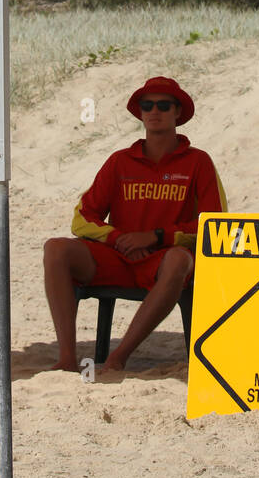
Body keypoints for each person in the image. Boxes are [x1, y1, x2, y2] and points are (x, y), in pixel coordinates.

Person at [43, 76, 227, 374]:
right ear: (139, 112)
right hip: (119, 256)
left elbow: (215, 225)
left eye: (164, 105)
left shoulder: (198, 162)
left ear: (178, 112)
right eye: (147, 105)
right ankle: (66, 357)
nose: (155, 111)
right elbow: (82, 217)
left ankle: (119, 357)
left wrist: (155, 237)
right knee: (56, 249)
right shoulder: (119, 161)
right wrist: (119, 239)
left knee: (180, 260)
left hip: (164, 260)